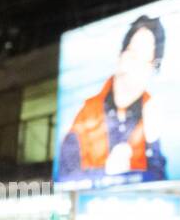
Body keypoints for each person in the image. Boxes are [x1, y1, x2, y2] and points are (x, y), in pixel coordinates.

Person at [58, 15, 167, 184]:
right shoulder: (87, 114)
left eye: (148, 61)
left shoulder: (151, 115)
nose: (137, 66)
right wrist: (107, 173)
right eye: (133, 54)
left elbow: (162, 182)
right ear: (120, 56)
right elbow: (65, 177)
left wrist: (153, 143)